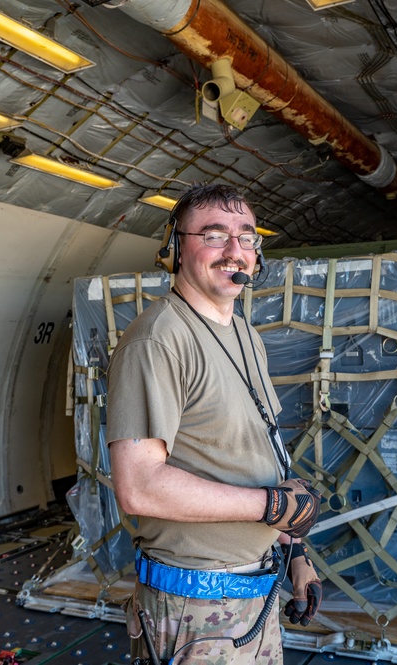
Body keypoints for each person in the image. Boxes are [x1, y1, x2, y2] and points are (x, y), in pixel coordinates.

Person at [105, 183, 322, 665]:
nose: (235, 252)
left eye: (247, 238)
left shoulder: (245, 334)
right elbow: (139, 487)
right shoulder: (159, 340)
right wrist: (271, 507)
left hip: (256, 591)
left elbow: (247, 454)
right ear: (175, 249)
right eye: (214, 235)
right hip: (196, 608)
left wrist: (296, 553)